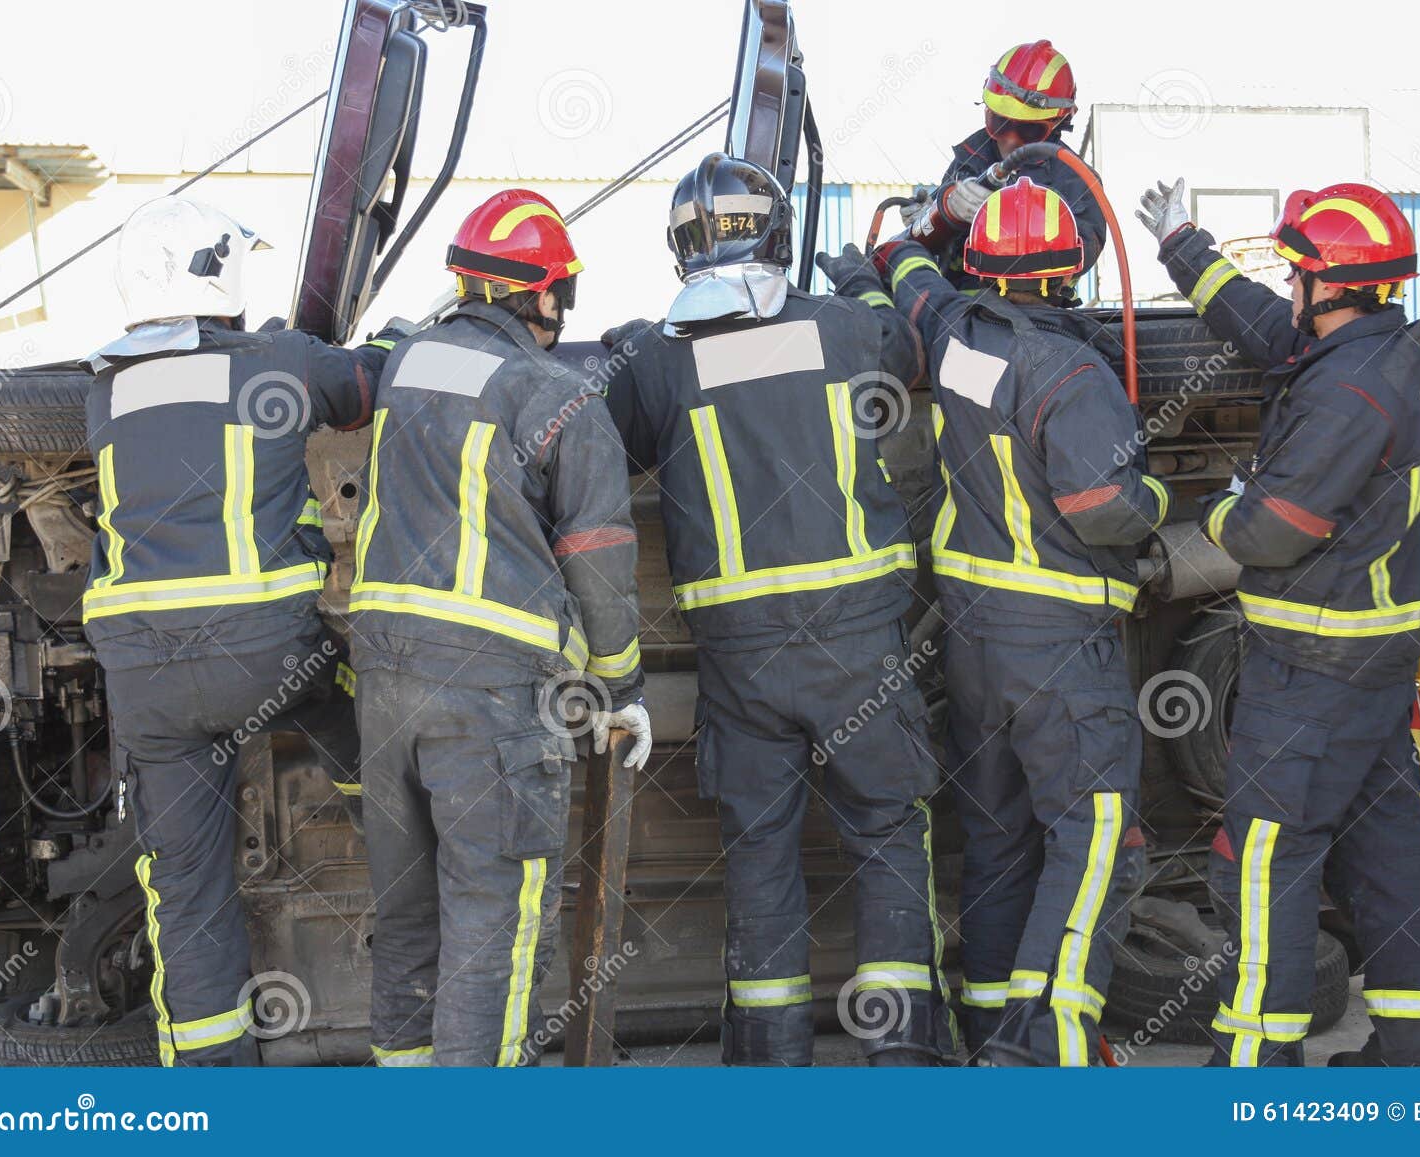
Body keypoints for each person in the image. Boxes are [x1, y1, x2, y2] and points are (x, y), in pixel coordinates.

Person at [600, 152, 953, 1066]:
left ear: (680, 250)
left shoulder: (655, 360)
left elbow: (606, 436)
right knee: (886, 839)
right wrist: (865, 277)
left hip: (741, 663)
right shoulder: (842, 328)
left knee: (760, 858)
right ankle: (902, 1065)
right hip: (859, 649)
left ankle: (770, 1072)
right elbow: (907, 350)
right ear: (780, 235)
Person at [836, 176, 1164, 1065]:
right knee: (1098, 842)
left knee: (998, 838)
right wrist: (1157, 499)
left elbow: (912, 284)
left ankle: (991, 1027)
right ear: (1069, 275)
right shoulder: (1071, 370)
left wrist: (901, 240)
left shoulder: (952, 337)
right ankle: (1043, 1052)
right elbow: (1104, 504)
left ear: (979, 264)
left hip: (978, 644)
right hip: (1060, 645)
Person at [1137, 177, 1420, 1066]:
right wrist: (1183, 246)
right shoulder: (1377, 352)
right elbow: (1262, 327)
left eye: (1296, 274)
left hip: (1310, 672)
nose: (1287, 289)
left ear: (1334, 285)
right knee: (1386, 858)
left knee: (1262, 861)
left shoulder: (1346, 396)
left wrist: (1216, 516)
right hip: (1370, 665)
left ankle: (1254, 1068)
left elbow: (1271, 531)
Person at [85, 195, 394, 1066]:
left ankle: (215, 1096)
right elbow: (371, 385)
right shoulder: (278, 361)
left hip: (146, 683)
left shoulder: (105, 386)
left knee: (184, 891)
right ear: (219, 275)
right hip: (269, 660)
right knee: (375, 747)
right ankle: (405, 854)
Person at [349, 188, 650, 1067]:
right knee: (496, 924)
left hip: (382, 686)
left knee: (409, 918)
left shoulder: (406, 366)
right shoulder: (554, 391)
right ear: (547, 297)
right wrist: (623, 690)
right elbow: (596, 550)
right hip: (491, 693)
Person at [918, 39, 1106, 288]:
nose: (1010, 141)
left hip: (1034, 315)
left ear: (1059, 122)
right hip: (957, 310)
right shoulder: (969, 158)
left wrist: (1004, 219)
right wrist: (935, 213)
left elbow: (1084, 254)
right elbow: (934, 246)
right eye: (1001, 124)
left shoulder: (1077, 180)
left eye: (1029, 130)